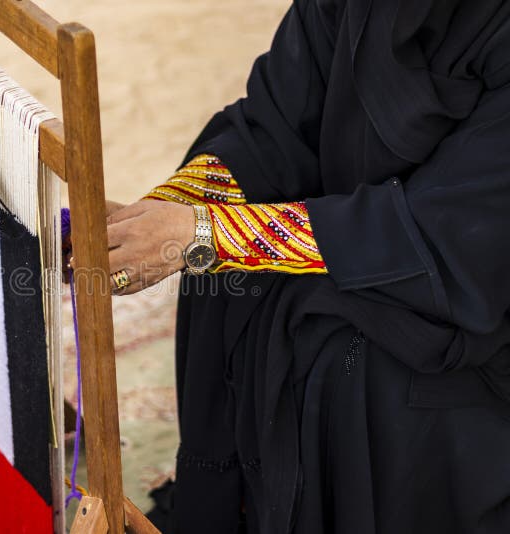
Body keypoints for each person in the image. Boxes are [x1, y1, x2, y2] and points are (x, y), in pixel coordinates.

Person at [102, 1, 510, 532]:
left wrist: (203, 233)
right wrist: (167, 213)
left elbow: (453, 231)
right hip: (378, 233)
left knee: (346, 354)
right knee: (227, 275)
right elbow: (271, 129)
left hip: (474, 286)